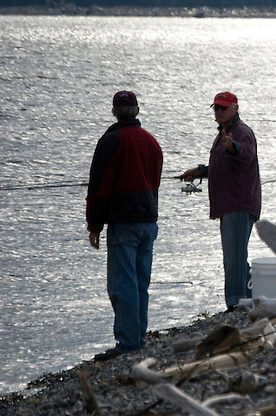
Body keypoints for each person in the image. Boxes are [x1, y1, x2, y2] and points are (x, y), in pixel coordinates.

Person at [86, 90, 163, 361]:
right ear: (137, 111)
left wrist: (94, 224)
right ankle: (138, 336)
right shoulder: (152, 142)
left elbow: (100, 187)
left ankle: (129, 342)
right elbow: (155, 181)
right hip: (149, 221)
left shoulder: (111, 141)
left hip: (124, 224)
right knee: (140, 282)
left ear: (114, 112)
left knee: (123, 284)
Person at [181, 92, 261, 310]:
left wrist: (233, 147)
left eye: (223, 108)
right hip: (229, 205)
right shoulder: (224, 133)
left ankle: (236, 304)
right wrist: (199, 171)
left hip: (238, 205)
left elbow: (246, 153)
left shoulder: (241, 132)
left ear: (235, 108)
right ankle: (249, 300)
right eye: (216, 108)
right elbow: (223, 166)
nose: (218, 111)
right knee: (236, 256)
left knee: (234, 258)